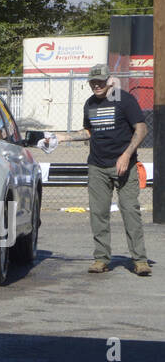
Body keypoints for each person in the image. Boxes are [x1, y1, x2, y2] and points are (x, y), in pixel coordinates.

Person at [55, 64, 150, 276]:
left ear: (108, 81)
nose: (96, 85)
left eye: (100, 81)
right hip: (97, 166)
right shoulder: (89, 104)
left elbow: (141, 128)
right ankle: (101, 258)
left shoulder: (124, 99)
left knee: (130, 211)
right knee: (98, 214)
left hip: (125, 165)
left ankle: (140, 260)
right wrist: (63, 137)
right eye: (93, 82)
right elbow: (88, 131)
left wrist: (126, 155)